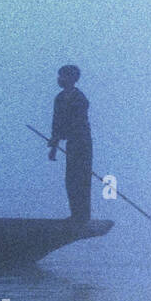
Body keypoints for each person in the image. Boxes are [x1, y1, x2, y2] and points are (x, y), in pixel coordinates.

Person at [48, 64, 92, 222]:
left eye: (63, 76)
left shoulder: (80, 99)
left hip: (82, 142)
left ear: (72, 78)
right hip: (71, 143)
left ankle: (83, 216)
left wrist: (59, 136)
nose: (59, 79)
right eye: (59, 76)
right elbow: (57, 122)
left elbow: (76, 122)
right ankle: (75, 214)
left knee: (82, 178)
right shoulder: (59, 98)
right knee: (71, 179)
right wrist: (54, 146)